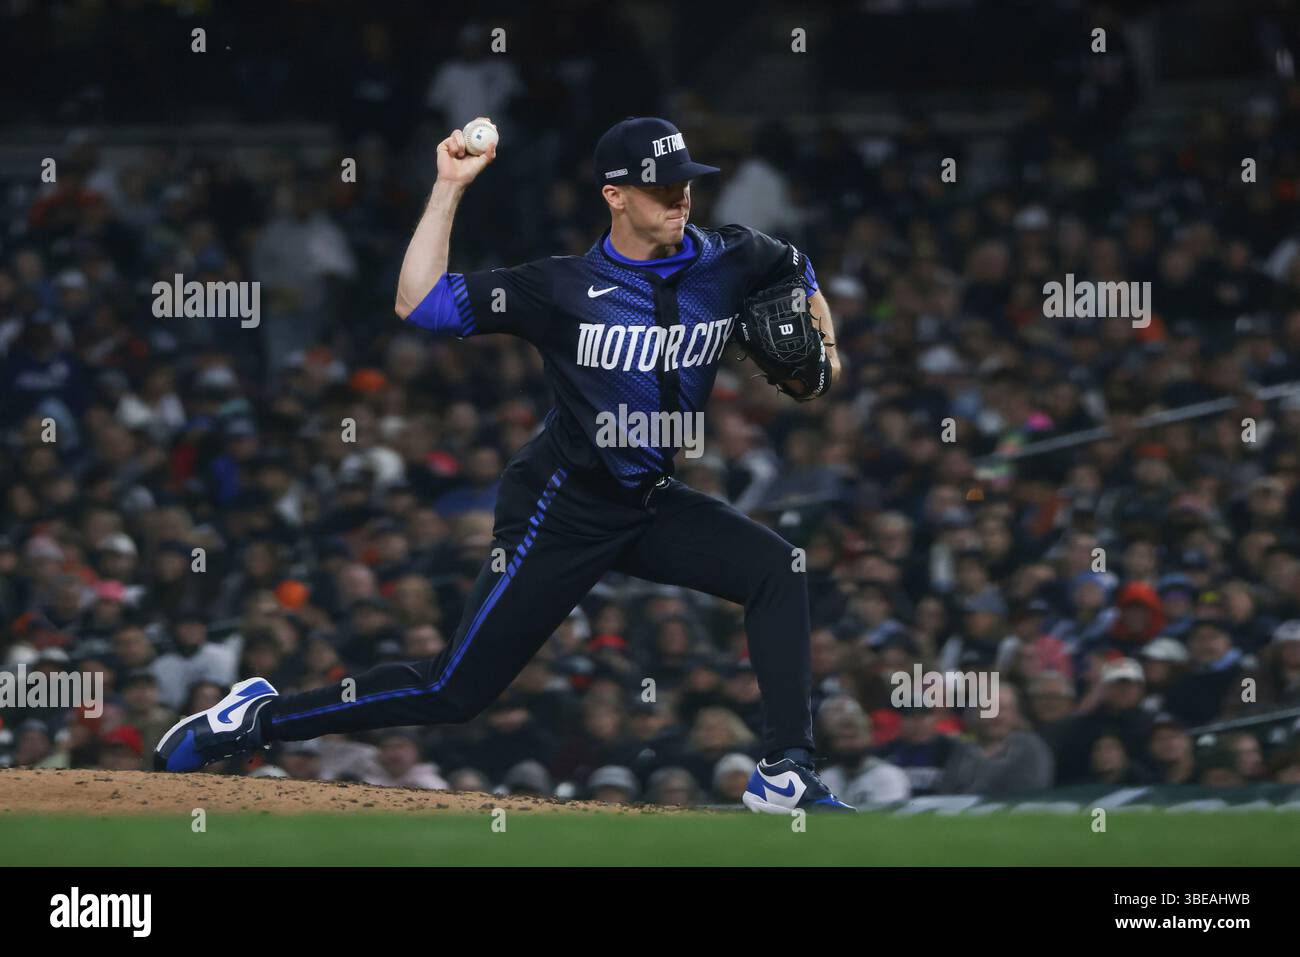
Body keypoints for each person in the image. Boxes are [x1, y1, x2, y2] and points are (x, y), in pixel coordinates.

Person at [154, 116, 851, 813]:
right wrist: (449, 186)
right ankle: (253, 720)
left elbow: (796, 271)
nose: (678, 198)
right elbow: (419, 302)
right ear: (615, 194)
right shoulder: (562, 287)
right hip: (563, 504)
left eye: (685, 184)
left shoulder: (731, 257)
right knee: (453, 690)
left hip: (649, 499)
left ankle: (786, 769)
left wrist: (826, 355)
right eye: (659, 186)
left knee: (777, 568)